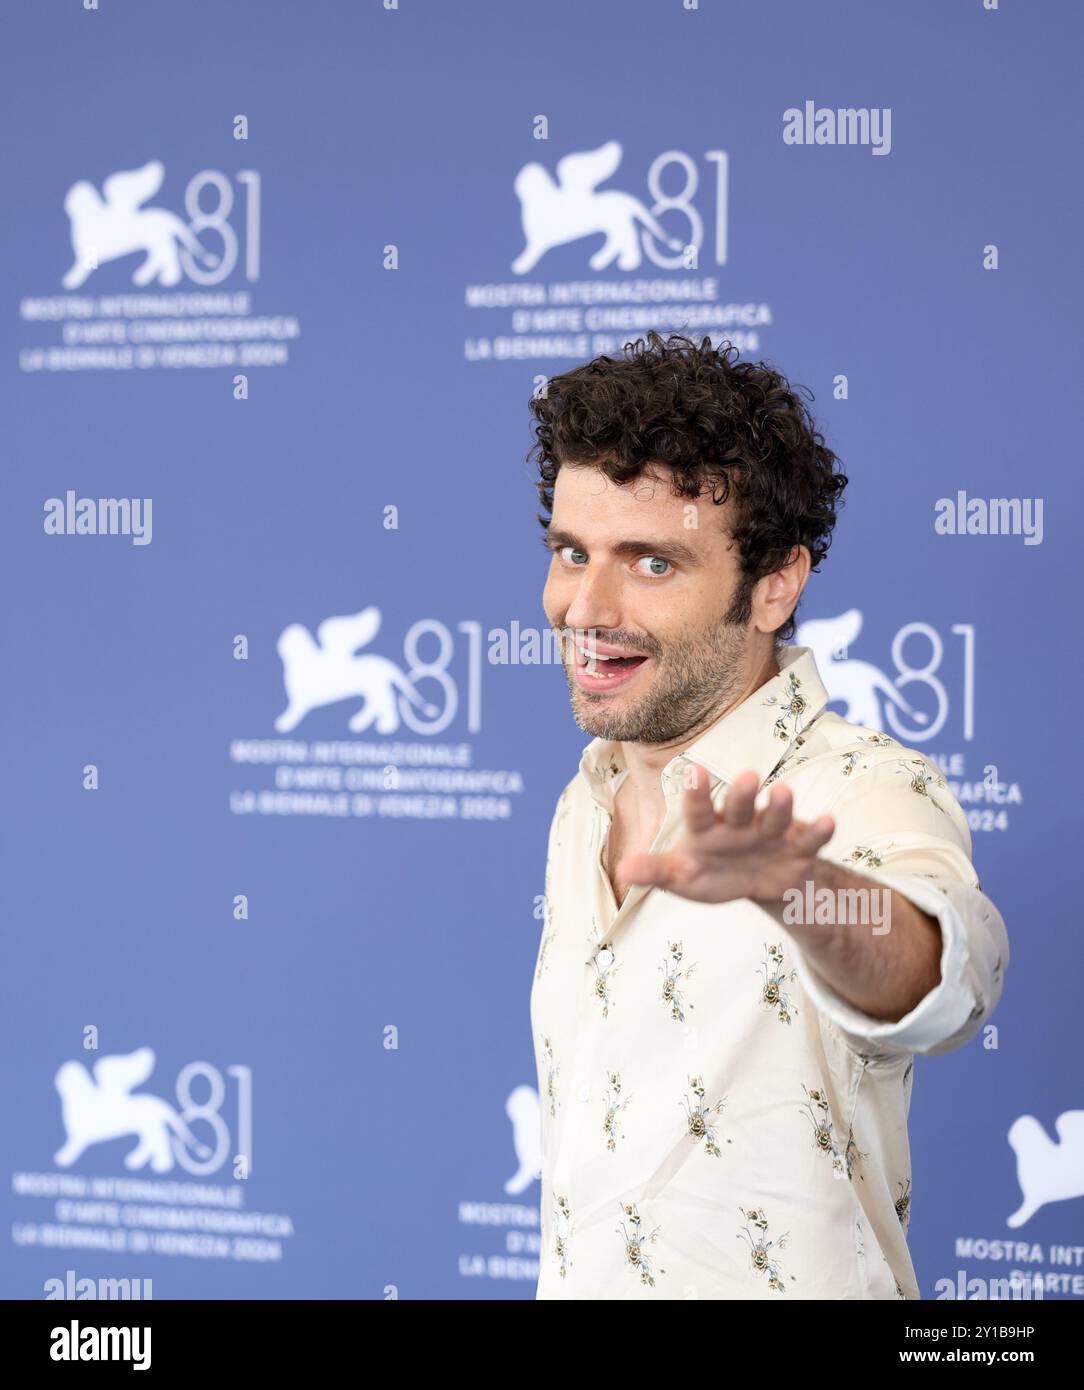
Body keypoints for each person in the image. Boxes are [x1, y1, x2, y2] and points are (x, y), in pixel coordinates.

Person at [527, 331, 1007, 1299]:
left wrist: (792, 886)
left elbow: (945, 981)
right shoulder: (585, 800)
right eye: (572, 551)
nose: (585, 602)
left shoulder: (859, 784)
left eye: (650, 563)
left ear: (774, 585)